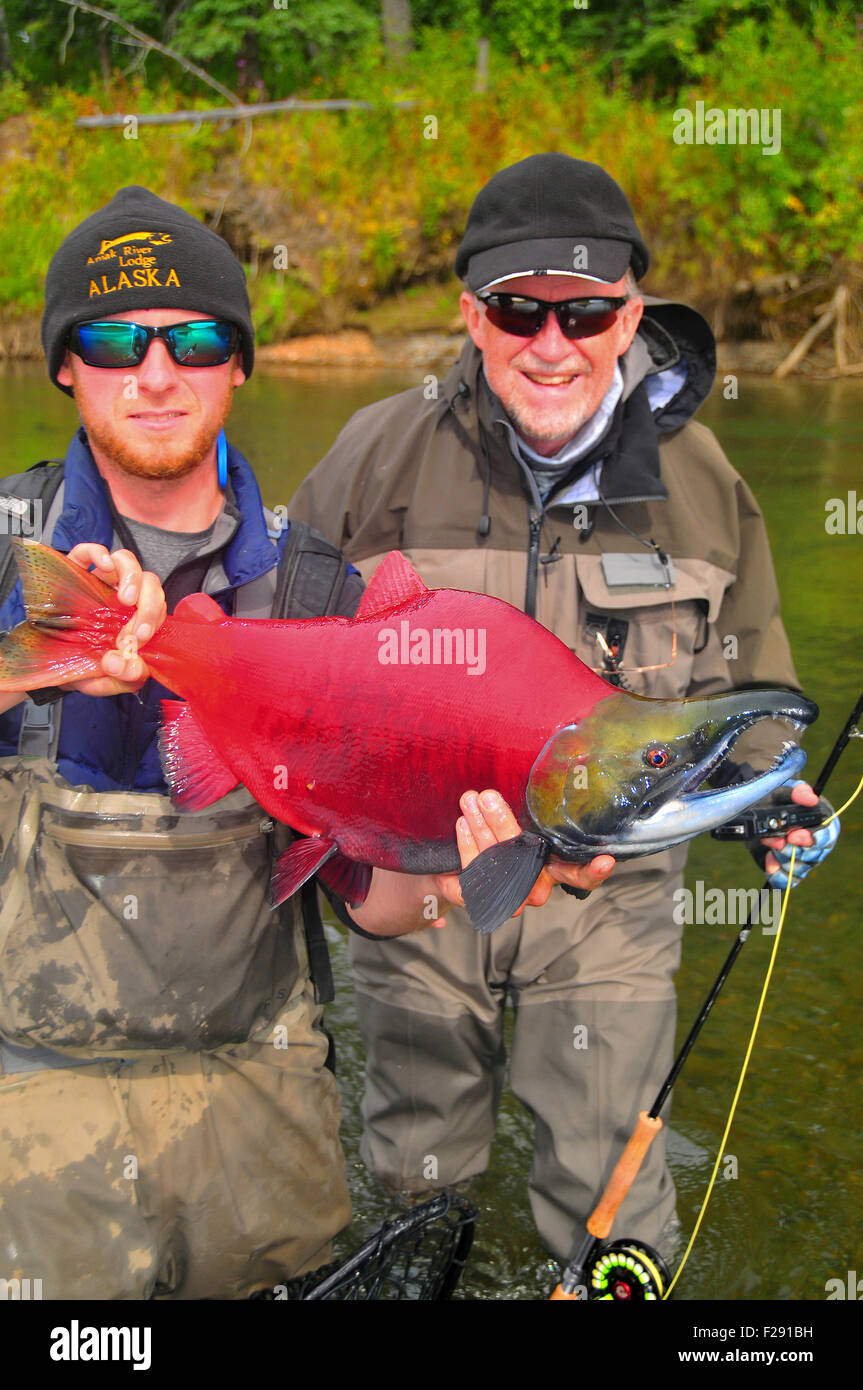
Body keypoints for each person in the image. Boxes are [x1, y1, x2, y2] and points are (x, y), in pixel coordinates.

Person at [0, 184, 609, 1300]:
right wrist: (40, 655)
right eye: (110, 340)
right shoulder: (6, 555)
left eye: (191, 339)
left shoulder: (321, 589)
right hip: (29, 1128)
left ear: (238, 364)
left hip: (260, 1119)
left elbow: (365, 896)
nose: (153, 374)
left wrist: (464, 874)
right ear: (64, 367)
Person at [288, 153, 839, 1271]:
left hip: (613, 931)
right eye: (517, 309)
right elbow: (287, 684)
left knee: (609, 1234)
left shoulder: (705, 485)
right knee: (409, 1211)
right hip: (425, 908)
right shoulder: (366, 460)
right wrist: (359, 870)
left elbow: (754, 712)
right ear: (469, 316)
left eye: (585, 311)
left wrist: (773, 804)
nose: (552, 344)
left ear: (630, 312)